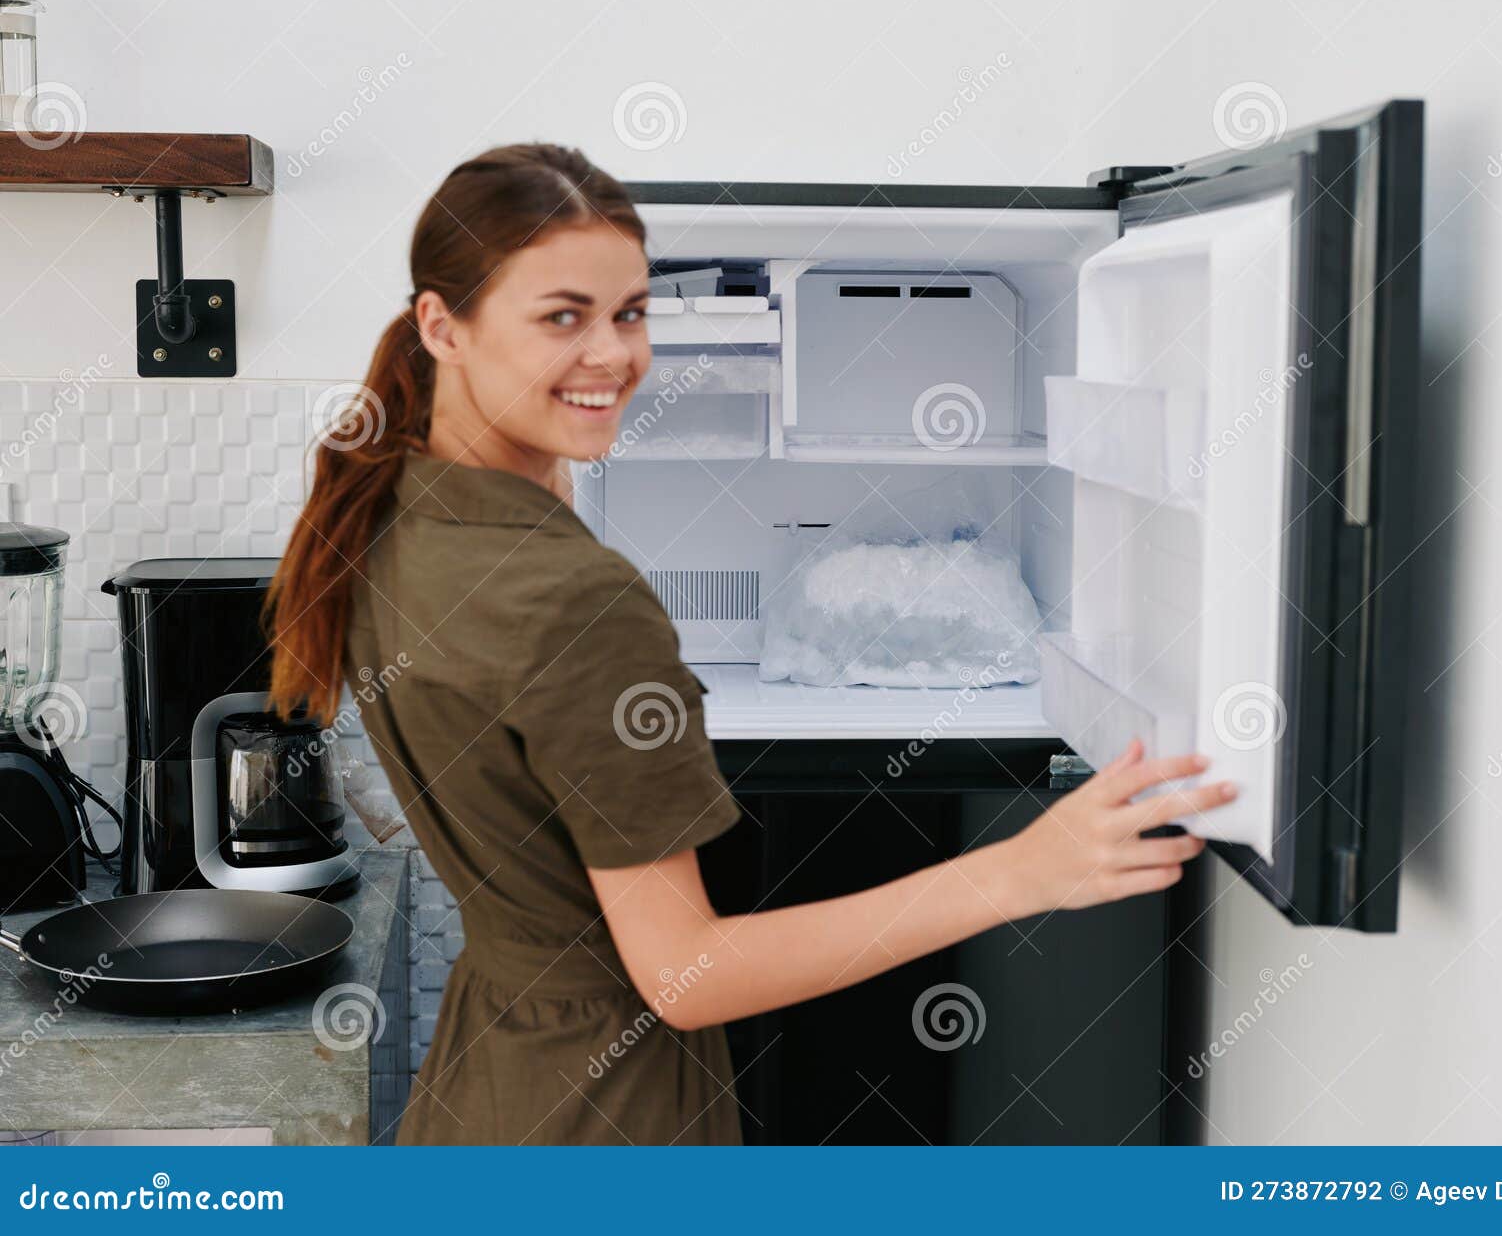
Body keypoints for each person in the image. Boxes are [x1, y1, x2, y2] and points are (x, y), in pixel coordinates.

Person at [263, 143, 1234, 1146]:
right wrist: (1020, 873)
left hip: (484, 1086)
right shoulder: (578, 604)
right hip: (604, 1120)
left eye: (629, 313)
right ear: (442, 326)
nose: (613, 356)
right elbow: (687, 976)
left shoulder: (388, 514)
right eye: (561, 317)